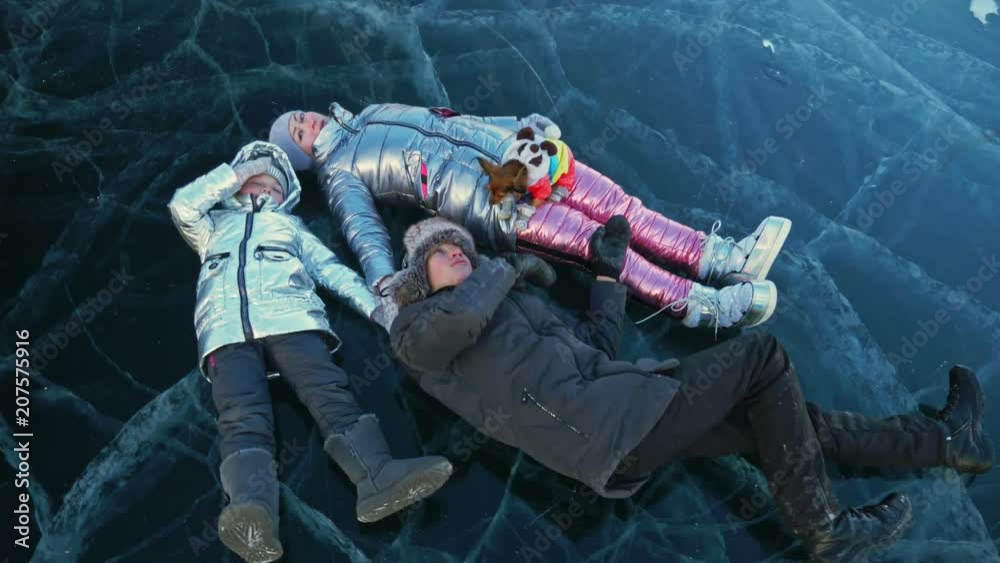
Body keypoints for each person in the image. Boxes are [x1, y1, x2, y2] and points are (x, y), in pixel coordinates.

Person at [385, 215, 995, 563]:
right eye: (438, 253)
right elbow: (461, 320)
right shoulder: (416, 335)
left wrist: (606, 274)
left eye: (456, 244)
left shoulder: (513, 303)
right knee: (763, 355)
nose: (453, 253)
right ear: (418, 278)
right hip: (607, 433)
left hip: (628, 408)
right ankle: (825, 528)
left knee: (789, 422)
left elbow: (595, 349)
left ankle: (945, 441)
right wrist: (499, 267)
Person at [167, 142, 453, 563]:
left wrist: (379, 309)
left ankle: (378, 475)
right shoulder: (212, 227)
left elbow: (332, 272)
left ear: (286, 197)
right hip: (226, 330)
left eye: (273, 183)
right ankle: (252, 511)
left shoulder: (292, 230)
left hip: (293, 319)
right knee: (241, 417)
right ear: (232, 186)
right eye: (251, 179)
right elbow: (182, 206)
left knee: (329, 393)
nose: (261, 187)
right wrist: (237, 170)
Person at [267, 104, 792, 331]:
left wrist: (515, 124)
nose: (306, 123)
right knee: (600, 243)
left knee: (623, 208)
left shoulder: (373, 112)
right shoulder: (340, 175)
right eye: (299, 132)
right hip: (492, 199)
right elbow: (364, 232)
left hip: (518, 153)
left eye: (301, 118)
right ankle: (701, 308)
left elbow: (452, 119)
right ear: (304, 156)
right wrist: (385, 286)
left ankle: (718, 256)